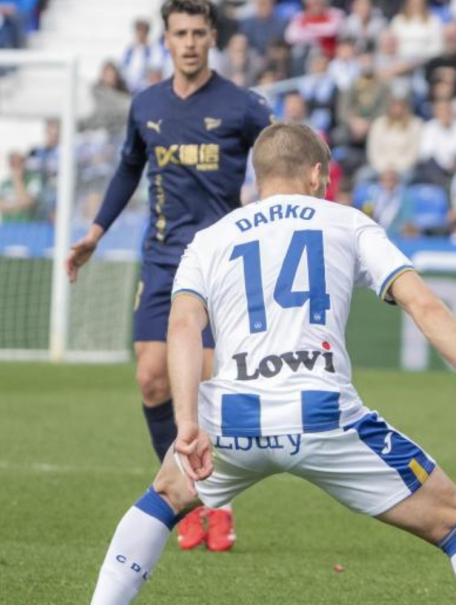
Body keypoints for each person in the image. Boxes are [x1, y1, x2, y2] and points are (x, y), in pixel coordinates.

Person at [51, 122, 456, 605]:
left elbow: (184, 328)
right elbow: (425, 307)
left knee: (162, 500)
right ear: (317, 174)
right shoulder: (349, 223)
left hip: (233, 417)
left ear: (259, 176)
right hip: (324, 414)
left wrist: (186, 423)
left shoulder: (211, 239)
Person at [63, 0, 273, 553]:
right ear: (166, 38)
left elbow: (280, 156)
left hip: (218, 262)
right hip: (159, 260)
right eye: (179, 32)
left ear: (211, 38)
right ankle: (187, 491)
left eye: (198, 33)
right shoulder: (146, 104)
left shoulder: (242, 106)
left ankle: (217, 501)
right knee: (152, 379)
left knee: (201, 388)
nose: (188, 42)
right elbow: (129, 166)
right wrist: (95, 231)